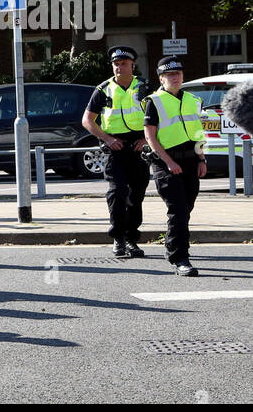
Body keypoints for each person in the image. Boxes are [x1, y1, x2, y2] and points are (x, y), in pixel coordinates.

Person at [83, 45, 154, 258]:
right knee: (117, 192)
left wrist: (145, 139)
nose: (119, 67)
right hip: (115, 147)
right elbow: (87, 120)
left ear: (133, 65)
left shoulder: (145, 87)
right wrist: (106, 138)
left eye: (123, 64)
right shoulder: (103, 89)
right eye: (116, 64)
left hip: (138, 146)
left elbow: (159, 117)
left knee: (137, 194)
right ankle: (118, 238)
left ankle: (132, 238)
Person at [143, 56, 207, 276]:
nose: (175, 78)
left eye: (177, 73)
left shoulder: (192, 99)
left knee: (186, 209)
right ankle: (181, 258)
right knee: (178, 210)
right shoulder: (155, 101)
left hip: (191, 160)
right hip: (165, 161)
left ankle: (172, 244)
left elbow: (198, 132)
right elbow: (150, 136)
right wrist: (169, 162)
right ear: (161, 79)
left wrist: (201, 158)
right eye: (169, 75)